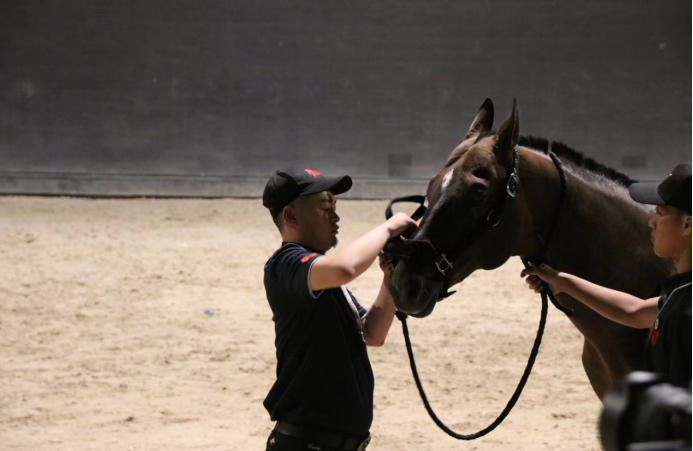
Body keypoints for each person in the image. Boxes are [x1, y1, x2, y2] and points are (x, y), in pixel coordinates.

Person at [261, 167, 416, 451]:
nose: (336, 216)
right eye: (325, 207)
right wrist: (389, 227)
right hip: (305, 443)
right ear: (291, 215)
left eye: (335, 206)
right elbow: (346, 267)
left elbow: (373, 333)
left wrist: (390, 277)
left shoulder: (324, 278)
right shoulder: (286, 263)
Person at [521, 163, 691, 388]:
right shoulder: (681, 295)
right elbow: (634, 311)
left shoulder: (686, 314)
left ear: (688, 223)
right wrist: (562, 281)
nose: (651, 221)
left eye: (660, 213)